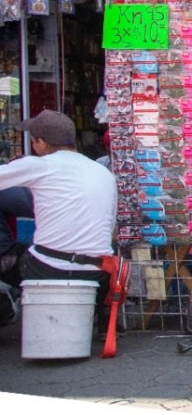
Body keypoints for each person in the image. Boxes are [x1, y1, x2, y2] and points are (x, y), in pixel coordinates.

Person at [0, 110, 117, 319]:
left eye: (34, 141)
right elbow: (110, 227)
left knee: (9, 255)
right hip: (99, 273)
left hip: (47, 269)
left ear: (42, 143)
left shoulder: (39, 165)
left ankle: (9, 304)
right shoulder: (102, 172)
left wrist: (17, 166)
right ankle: (98, 317)